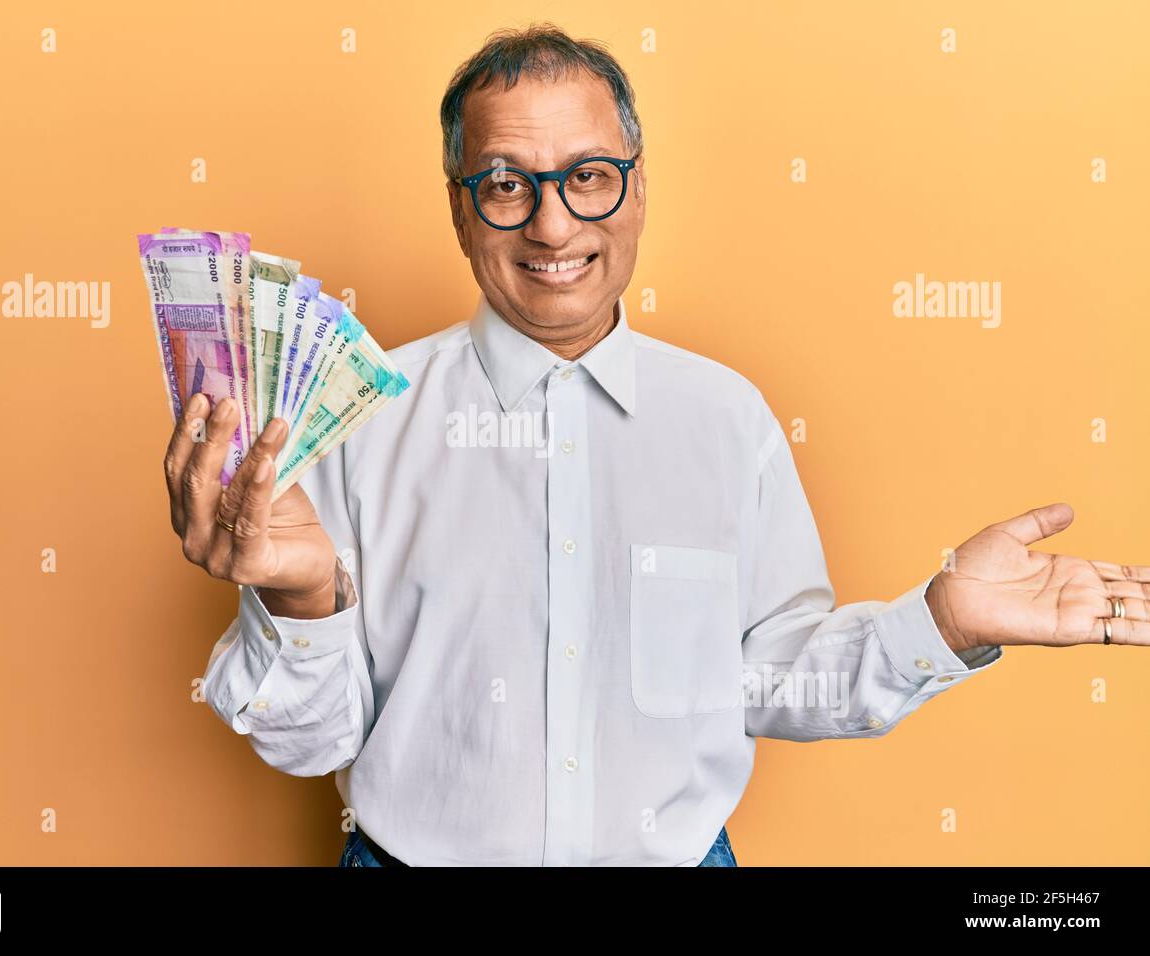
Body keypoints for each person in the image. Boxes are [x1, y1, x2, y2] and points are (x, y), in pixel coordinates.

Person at [162, 23, 1148, 866]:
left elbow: (770, 677)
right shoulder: (353, 418)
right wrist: (297, 599)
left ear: (635, 190)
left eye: (588, 176)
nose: (553, 224)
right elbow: (310, 741)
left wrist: (939, 621)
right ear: (461, 208)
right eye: (506, 183)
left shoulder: (728, 419)